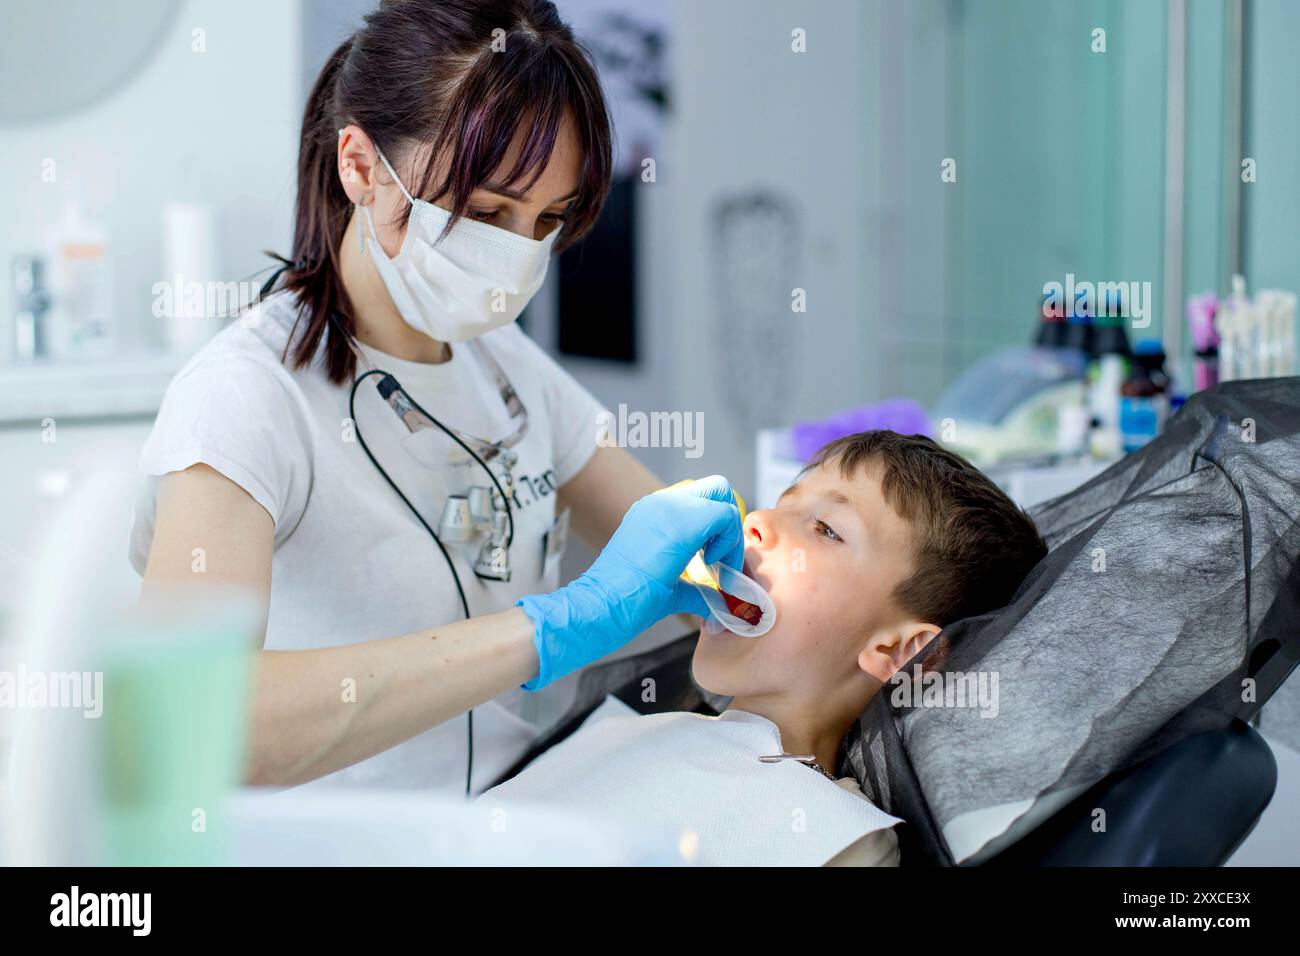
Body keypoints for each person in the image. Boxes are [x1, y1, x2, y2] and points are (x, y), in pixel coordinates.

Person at [129, 0, 741, 796]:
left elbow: (688, 560)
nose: (517, 256)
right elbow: (189, 725)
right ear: (361, 167)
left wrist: (779, 565)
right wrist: (547, 630)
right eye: (486, 212)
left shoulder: (506, 368)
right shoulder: (244, 398)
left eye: (546, 219)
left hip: (500, 820)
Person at [480, 431, 1048, 866]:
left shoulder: (835, 841)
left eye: (825, 528)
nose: (758, 522)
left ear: (900, 651)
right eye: (782, 500)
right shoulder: (626, 730)